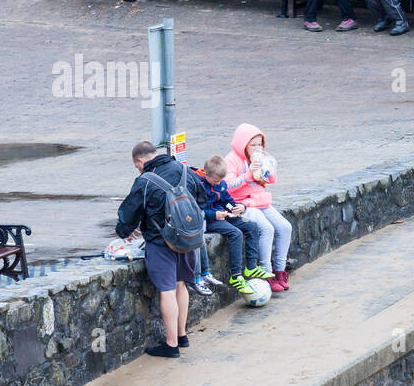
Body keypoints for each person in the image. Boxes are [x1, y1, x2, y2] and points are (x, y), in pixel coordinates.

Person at [116, 141, 211, 359]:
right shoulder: (187, 171)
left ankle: (171, 345)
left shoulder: (145, 181)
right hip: (189, 239)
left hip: (161, 242)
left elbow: (129, 213)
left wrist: (125, 231)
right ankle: (182, 335)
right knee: (182, 284)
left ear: (140, 161)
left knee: (167, 290)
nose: (138, 169)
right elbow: (203, 199)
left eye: (136, 166)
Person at [225, 123, 293, 293]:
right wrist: (247, 175)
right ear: (243, 144)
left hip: (260, 201)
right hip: (243, 203)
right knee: (267, 229)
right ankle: (266, 273)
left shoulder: (260, 157)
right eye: (252, 144)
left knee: (285, 227)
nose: (257, 148)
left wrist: (266, 167)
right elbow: (228, 187)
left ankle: (280, 271)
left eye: (259, 144)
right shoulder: (232, 160)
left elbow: (270, 180)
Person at [198, 155, 269, 295]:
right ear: (206, 174)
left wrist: (237, 207)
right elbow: (197, 210)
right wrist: (214, 215)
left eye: (220, 181)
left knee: (252, 227)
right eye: (215, 180)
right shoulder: (199, 186)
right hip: (209, 221)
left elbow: (227, 200)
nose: (218, 183)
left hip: (223, 215)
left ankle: (251, 266)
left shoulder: (221, 184)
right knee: (235, 233)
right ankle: (236, 275)